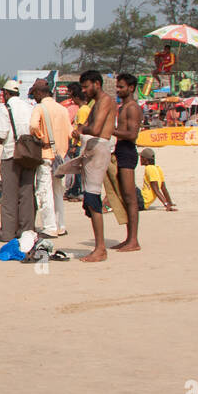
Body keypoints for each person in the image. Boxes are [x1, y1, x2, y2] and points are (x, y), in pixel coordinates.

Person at [72, 70, 118, 263]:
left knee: (92, 198)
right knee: (90, 200)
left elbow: (97, 128)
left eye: (86, 86)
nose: (84, 90)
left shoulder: (105, 100)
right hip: (94, 149)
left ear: (96, 84)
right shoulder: (96, 103)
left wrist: (81, 130)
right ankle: (99, 247)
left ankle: (100, 248)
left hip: (99, 148)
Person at [0, 80, 36, 243]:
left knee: (9, 195)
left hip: (11, 154)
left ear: (6, 94)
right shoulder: (29, 107)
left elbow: (2, 134)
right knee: (26, 194)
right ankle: (27, 230)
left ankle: (8, 232)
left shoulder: (5, 109)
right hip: (28, 154)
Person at [27, 78, 70, 239]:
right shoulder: (62, 109)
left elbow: (32, 126)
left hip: (45, 154)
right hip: (60, 156)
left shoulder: (40, 108)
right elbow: (69, 132)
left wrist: (40, 136)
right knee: (58, 191)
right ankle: (61, 226)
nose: (34, 98)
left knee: (44, 191)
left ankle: (49, 227)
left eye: (34, 94)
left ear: (39, 93)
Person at [112, 73, 143, 253]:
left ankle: (133, 240)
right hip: (121, 150)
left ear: (131, 88)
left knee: (131, 198)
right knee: (125, 196)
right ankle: (129, 237)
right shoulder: (123, 107)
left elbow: (132, 134)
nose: (118, 89)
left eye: (121, 87)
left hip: (128, 151)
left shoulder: (132, 108)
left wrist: (112, 131)